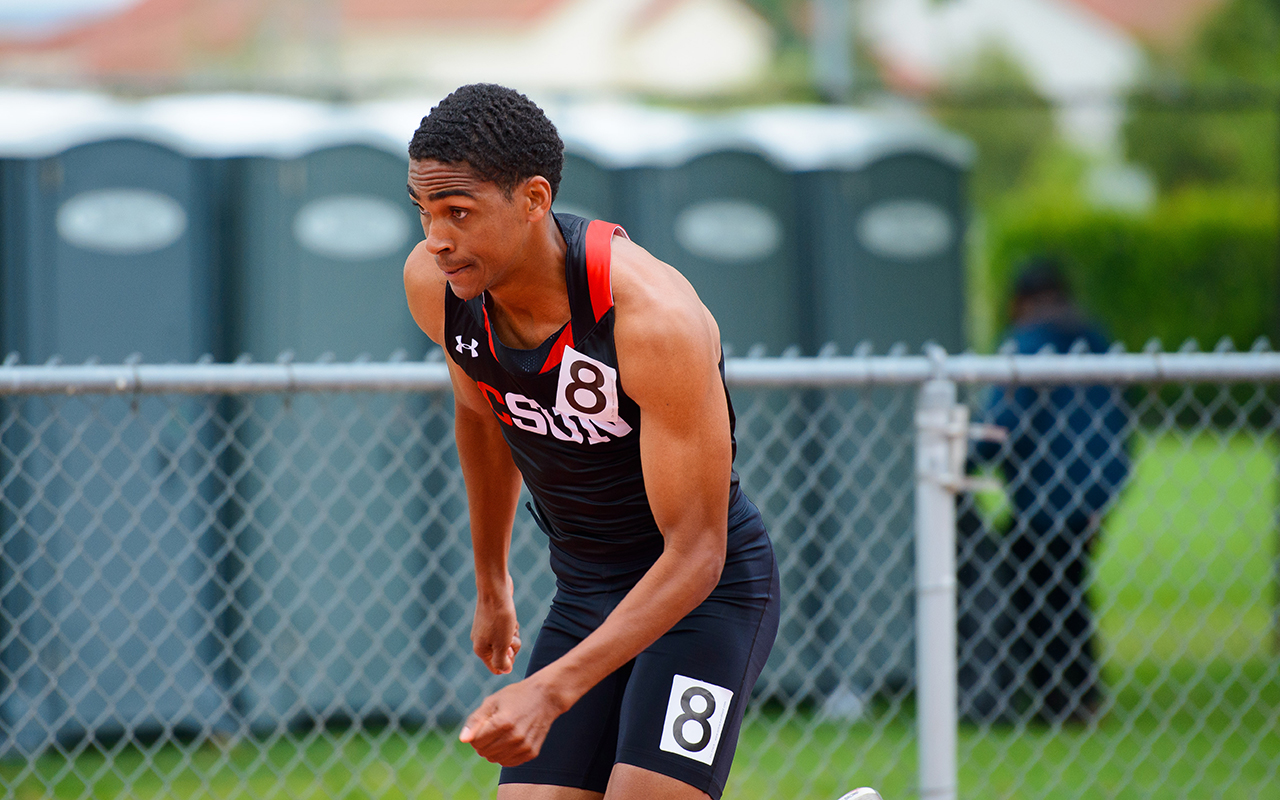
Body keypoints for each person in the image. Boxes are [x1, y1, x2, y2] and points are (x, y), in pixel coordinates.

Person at [402, 84, 781, 800]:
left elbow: (699, 553)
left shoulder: (652, 320)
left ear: (534, 199)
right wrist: (492, 581)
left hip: (703, 593)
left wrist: (548, 692)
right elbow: (482, 418)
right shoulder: (438, 285)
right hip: (587, 588)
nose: (436, 238)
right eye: (423, 212)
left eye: (457, 212)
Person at [971, 257, 1131, 724]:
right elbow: (1118, 424)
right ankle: (1081, 695)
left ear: (1020, 300)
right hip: (1092, 493)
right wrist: (1102, 496)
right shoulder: (1095, 341)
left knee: (1039, 593)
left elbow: (1005, 424)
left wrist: (963, 454)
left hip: (1046, 497)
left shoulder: (1026, 344)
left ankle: (1058, 698)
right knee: (1068, 590)